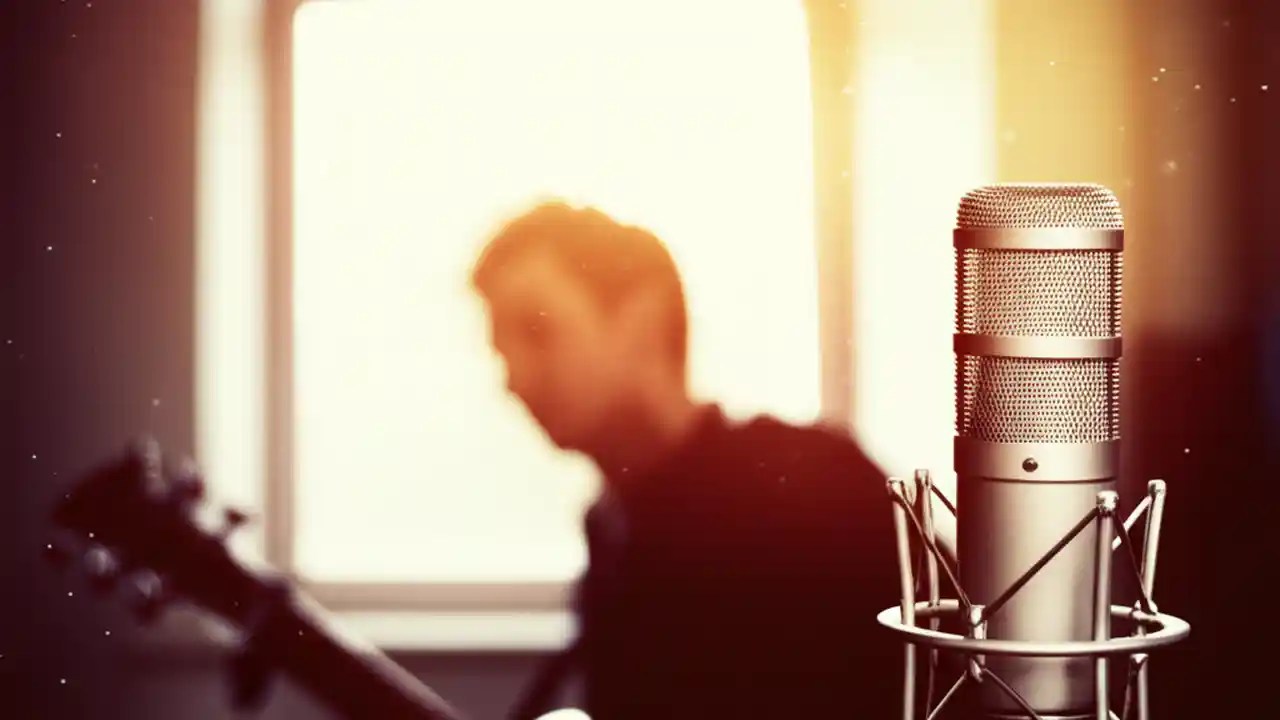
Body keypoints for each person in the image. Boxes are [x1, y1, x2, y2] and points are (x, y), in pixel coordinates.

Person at [469, 200, 903, 719]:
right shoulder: (609, 524)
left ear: (642, 320)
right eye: (502, 350)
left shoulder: (816, 482)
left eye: (538, 333)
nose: (513, 379)